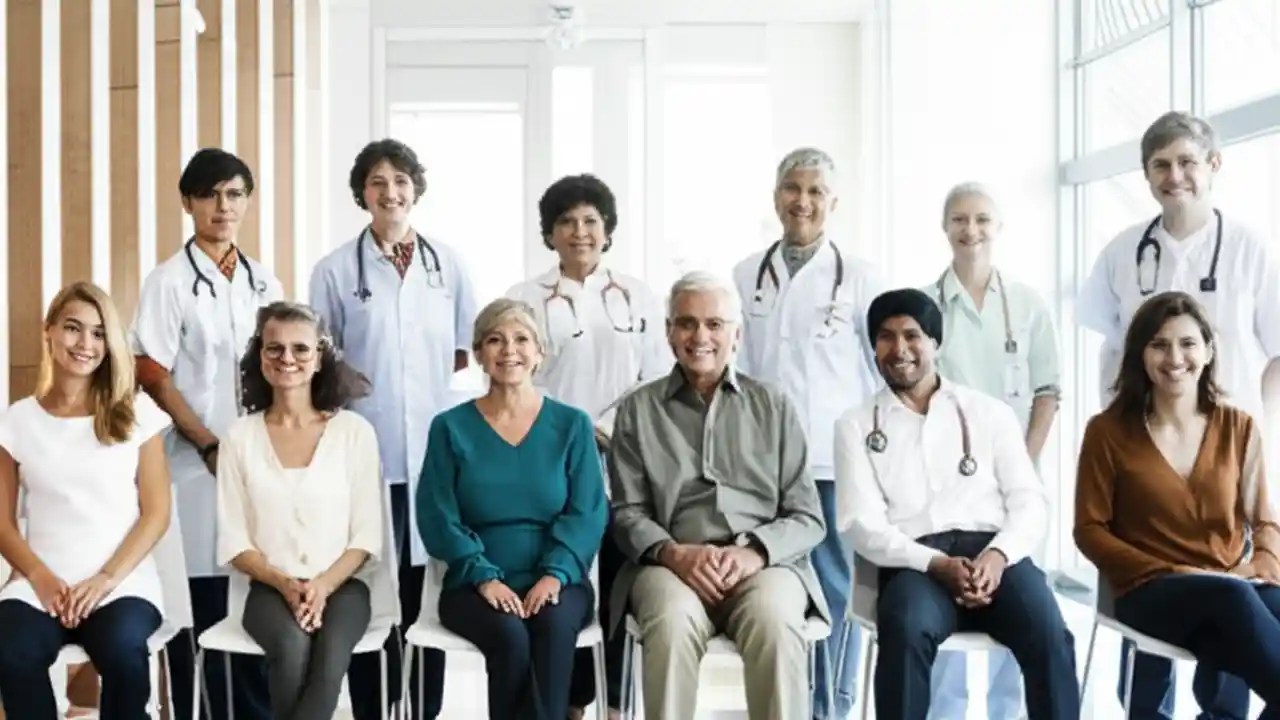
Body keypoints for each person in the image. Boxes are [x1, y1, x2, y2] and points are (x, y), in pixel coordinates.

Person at [1077, 111, 1280, 717]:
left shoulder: (1250, 249)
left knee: (1239, 610)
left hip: (1225, 460)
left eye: (1187, 161)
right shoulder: (1122, 252)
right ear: (1145, 174)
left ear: (1213, 165)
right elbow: (1110, 346)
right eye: (1160, 165)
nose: (1175, 176)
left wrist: (1257, 431)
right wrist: (1127, 436)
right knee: (1194, 639)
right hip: (1145, 466)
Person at [834, 288, 1078, 720]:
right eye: (886, 337)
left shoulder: (989, 413)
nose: (899, 348)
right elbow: (860, 523)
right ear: (873, 348)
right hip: (914, 563)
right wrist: (936, 564)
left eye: (913, 335)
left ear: (935, 343)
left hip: (994, 556)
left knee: (1049, 633)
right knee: (905, 630)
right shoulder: (855, 425)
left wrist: (998, 556)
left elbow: (1029, 501)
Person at [610, 271, 830, 720]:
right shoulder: (638, 408)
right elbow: (627, 513)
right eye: (686, 323)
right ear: (669, 332)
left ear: (737, 334)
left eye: (714, 324)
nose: (700, 337)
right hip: (669, 566)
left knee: (775, 622)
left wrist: (754, 553)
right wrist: (675, 554)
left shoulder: (774, 405)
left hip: (763, 566)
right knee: (670, 624)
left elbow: (807, 516)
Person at [310, 138, 477, 719]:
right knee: (370, 587)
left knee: (427, 588)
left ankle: (424, 707)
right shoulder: (335, 270)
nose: (391, 192)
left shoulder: (447, 264)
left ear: (416, 190)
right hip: (364, 451)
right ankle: (372, 708)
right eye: (378, 182)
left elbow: (462, 350)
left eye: (401, 181)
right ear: (362, 193)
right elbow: (318, 358)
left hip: (433, 451)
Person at [505, 174, 670, 719]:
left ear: (607, 229)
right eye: (566, 221)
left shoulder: (638, 294)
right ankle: (572, 702)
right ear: (549, 233)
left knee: (620, 579)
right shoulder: (523, 298)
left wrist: (607, 427)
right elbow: (517, 376)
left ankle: (618, 702)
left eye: (590, 221)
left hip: (626, 455)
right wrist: (576, 429)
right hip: (551, 455)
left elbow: (656, 378)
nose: (579, 231)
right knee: (565, 575)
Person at [731, 147, 882, 719]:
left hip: (830, 460)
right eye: (793, 189)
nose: (803, 201)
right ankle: (790, 704)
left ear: (833, 202)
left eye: (816, 191)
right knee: (775, 585)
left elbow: (880, 371)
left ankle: (833, 706)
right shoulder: (747, 274)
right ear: (776, 197)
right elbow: (738, 366)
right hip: (763, 463)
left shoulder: (860, 278)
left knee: (836, 585)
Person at [1075, 291, 1280, 711]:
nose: (1174, 358)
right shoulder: (1107, 432)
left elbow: (1265, 522)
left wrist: (1262, 563)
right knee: (1233, 605)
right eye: (1159, 344)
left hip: (1230, 583)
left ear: (1208, 352)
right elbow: (1089, 530)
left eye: (1187, 343)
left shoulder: (1238, 427)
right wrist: (1168, 570)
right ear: (1141, 355)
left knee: (1246, 609)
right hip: (1149, 588)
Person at [132, 148, 280, 720]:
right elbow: (151, 372)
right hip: (194, 466)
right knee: (199, 600)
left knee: (253, 594)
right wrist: (208, 442)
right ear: (188, 202)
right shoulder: (169, 281)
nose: (223, 206)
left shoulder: (264, 280)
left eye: (235, 194)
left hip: (257, 461)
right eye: (210, 195)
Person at [418, 298, 607, 720]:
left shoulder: (572, 425)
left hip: (559, 581)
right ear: (479, 353)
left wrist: (554, 575)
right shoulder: (449, 427)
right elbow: (437, 515)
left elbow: (588, 512)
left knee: (552, 627)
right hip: (473, 583)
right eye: (495, 340)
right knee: (509, 635)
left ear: (540, 352)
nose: (509, 350)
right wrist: (484, 577)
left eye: (522, 339)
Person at [0, 282, 174, 719]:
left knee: (123, 651)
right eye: (73, 328)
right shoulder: (18, 420)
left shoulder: (137, 413)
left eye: (99, 333)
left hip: (121, 584)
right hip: (41, 584)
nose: (85, 343)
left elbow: (156, 514)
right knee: (10, 649)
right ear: (49, 331)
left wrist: (105, 580)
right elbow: (2, 524)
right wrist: (39, 577)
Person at [921, 182, 1062, 720]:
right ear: (944, 228)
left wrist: (1020, 462)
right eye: (959, 219)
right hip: (946, 482)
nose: (971, 229)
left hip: (1015, 481)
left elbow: (1047, 392)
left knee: (1020, 603)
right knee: (951, 596)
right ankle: (945, 713)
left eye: (982, 219)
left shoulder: (1027, 305)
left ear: (998, 227)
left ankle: (1008, 713)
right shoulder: (926, 307)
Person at [216, 302, 383, 720]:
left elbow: (366, 537)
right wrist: (286, 584)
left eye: (300, 348)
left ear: (319, 357)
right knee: (291, 648)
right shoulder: (239, 438)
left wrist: (322, 585)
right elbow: (235, 541)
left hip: (344, 586)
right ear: (260, 356)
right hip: (269, 589)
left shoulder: (354, 433)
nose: (286, 358)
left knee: (330, 656)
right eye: (274, 348)